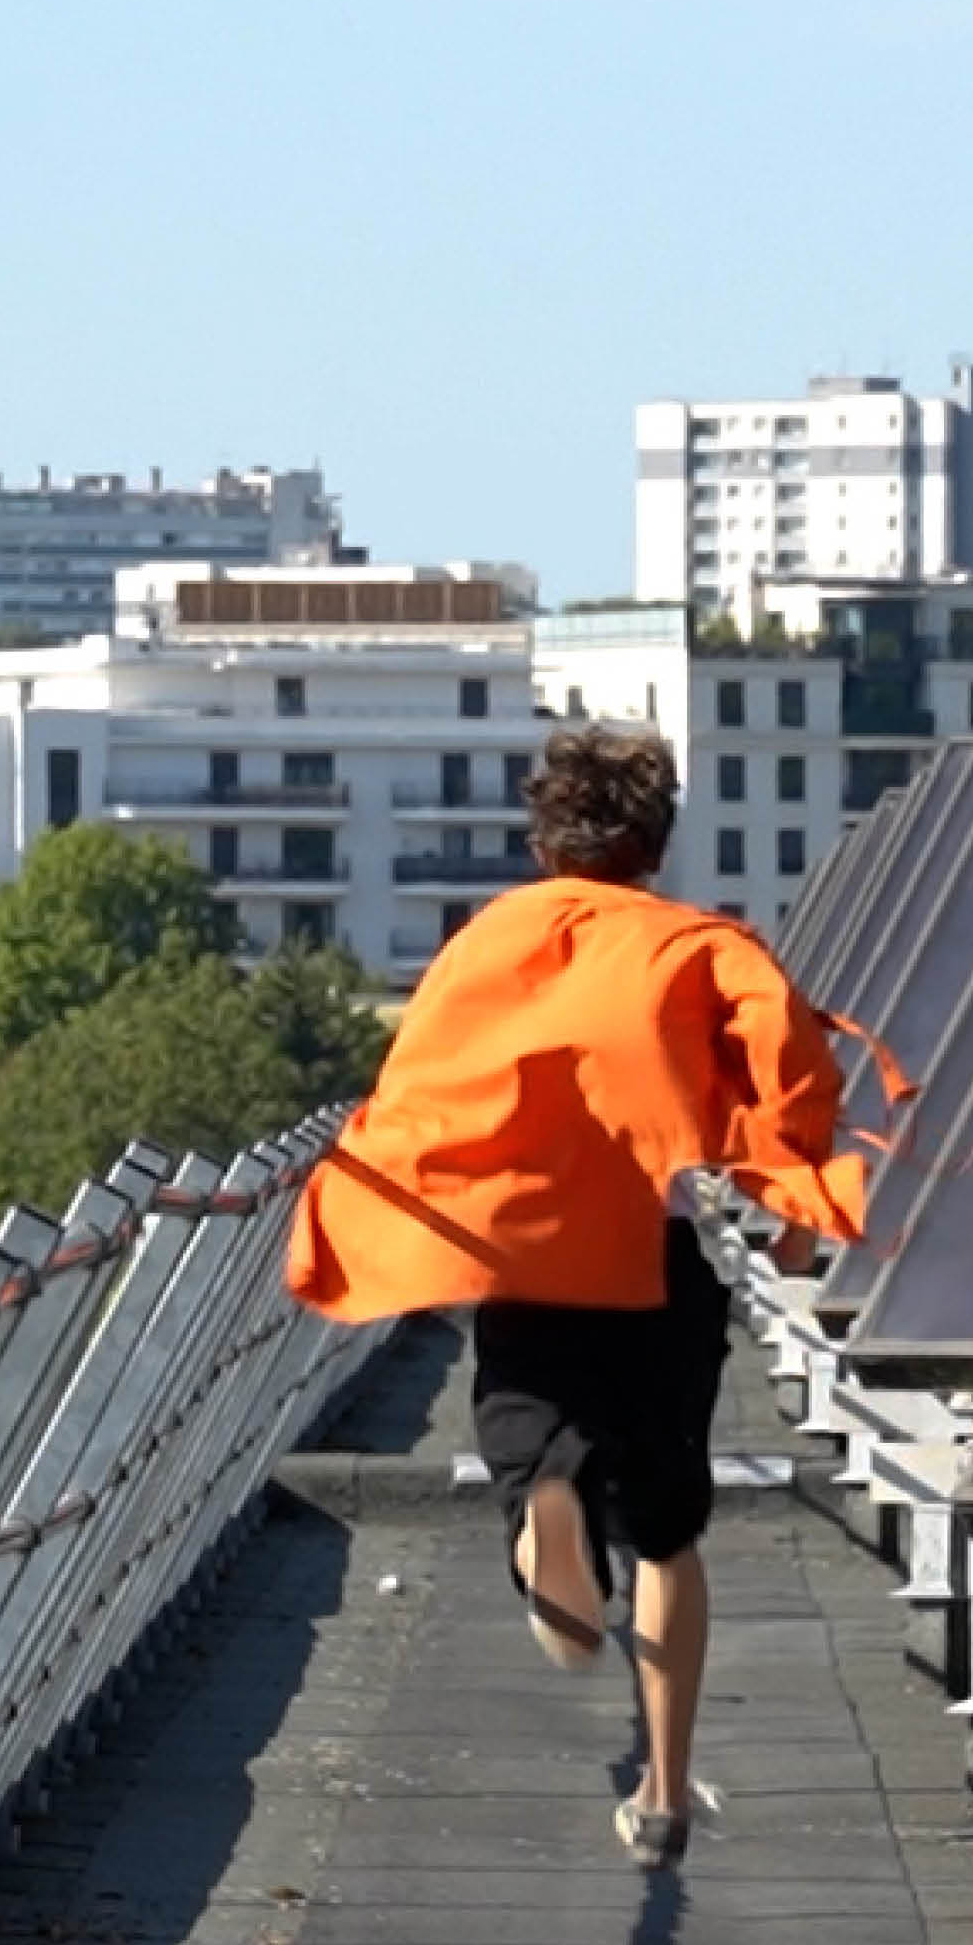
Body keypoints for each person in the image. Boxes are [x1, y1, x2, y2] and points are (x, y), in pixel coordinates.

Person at [288, 721, 868, 1865]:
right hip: (654, 1268)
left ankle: (547, 1508)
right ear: (656, 841)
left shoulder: (486, 942)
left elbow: (421, 1084)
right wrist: (798, 1203)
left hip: (529, 1262)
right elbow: (791, 1065)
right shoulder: (700, 944)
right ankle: (661, 1788)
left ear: (544, 835)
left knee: (530, 1447)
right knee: (666, 1533)